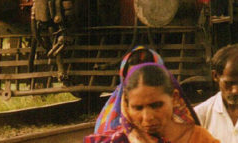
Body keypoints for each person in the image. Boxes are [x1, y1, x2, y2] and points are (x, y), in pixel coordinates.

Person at [86, 48, 215, 143]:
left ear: (174, 98)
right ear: (126, 104)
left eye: (156, 105)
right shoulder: (114, 140)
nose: (148, 117)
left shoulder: (199, 139)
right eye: (138, 108)